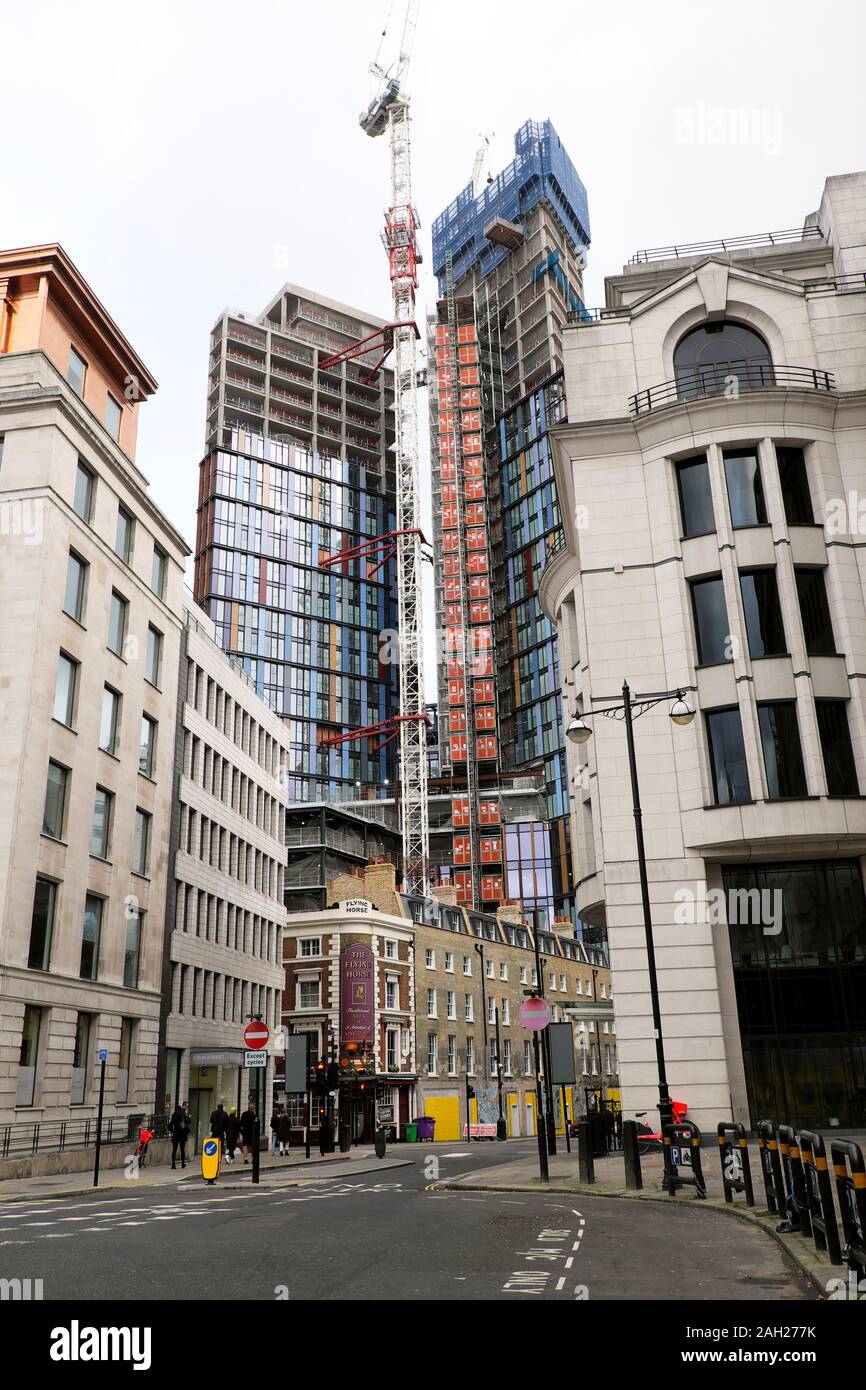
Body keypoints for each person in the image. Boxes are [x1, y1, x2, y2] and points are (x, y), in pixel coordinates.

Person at [168, 1101, 191, 1170]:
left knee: (174, 1149)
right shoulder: (181, 1114)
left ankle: (173, 1164)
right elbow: (183, 1124)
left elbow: (169, 1125)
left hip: (175, 1134)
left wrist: (173, 1130)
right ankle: (182, 1163)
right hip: (182, 1134)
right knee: (182, 1149)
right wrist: (186, 1130)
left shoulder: (174, 1115)